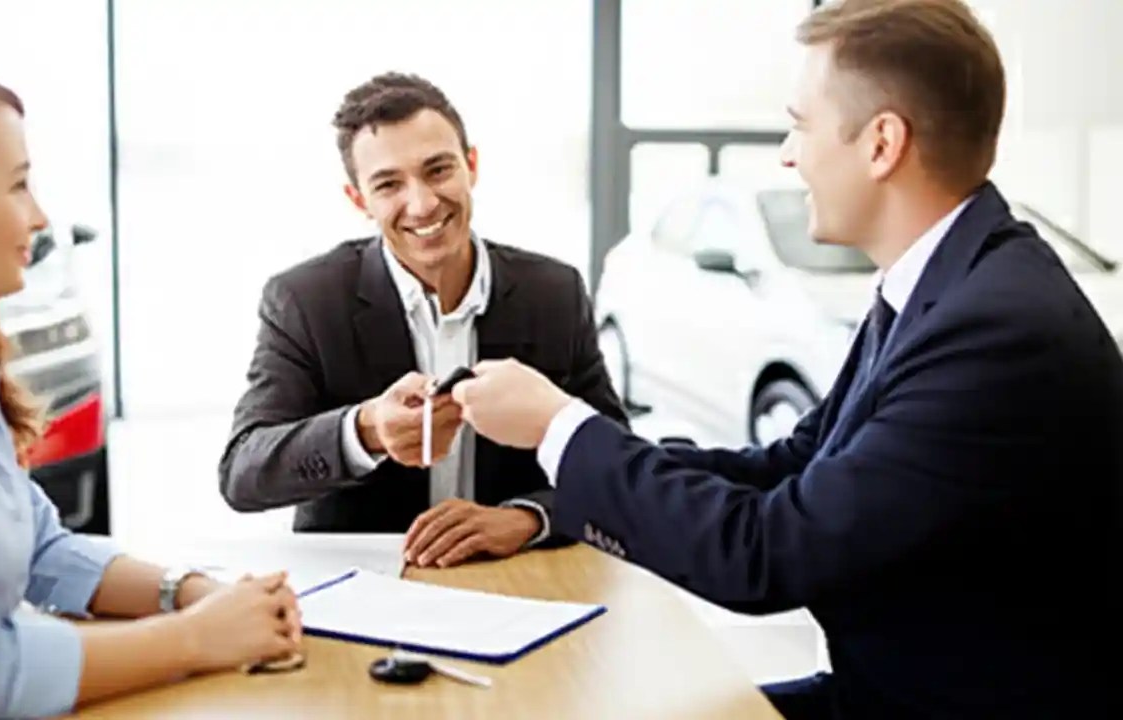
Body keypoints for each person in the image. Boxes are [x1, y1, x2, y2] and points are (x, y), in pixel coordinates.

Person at [448, 1, 1121, 718]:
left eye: (801, 124)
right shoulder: (947, 282)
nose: (787, 153)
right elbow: (794, 463)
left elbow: (767, 553)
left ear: (882, 142)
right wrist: (557, 494)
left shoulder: (996, 330)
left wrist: (558, 428)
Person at [0, 60, 302, 720]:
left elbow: (42, 549)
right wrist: (198, 639)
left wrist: (196, 592)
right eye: (19, 186)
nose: (40, 217)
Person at [218, 72, 627, 568]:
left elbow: (614, 459)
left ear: (471, 166)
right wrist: (365, 431)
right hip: (367, 585)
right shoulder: (305, 300)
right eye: (389, 184)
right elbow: (243, 473)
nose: (423, 203)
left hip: (516, 574)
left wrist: (527, 519)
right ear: (359, 200)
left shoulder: (554, 293)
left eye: (438, 171)